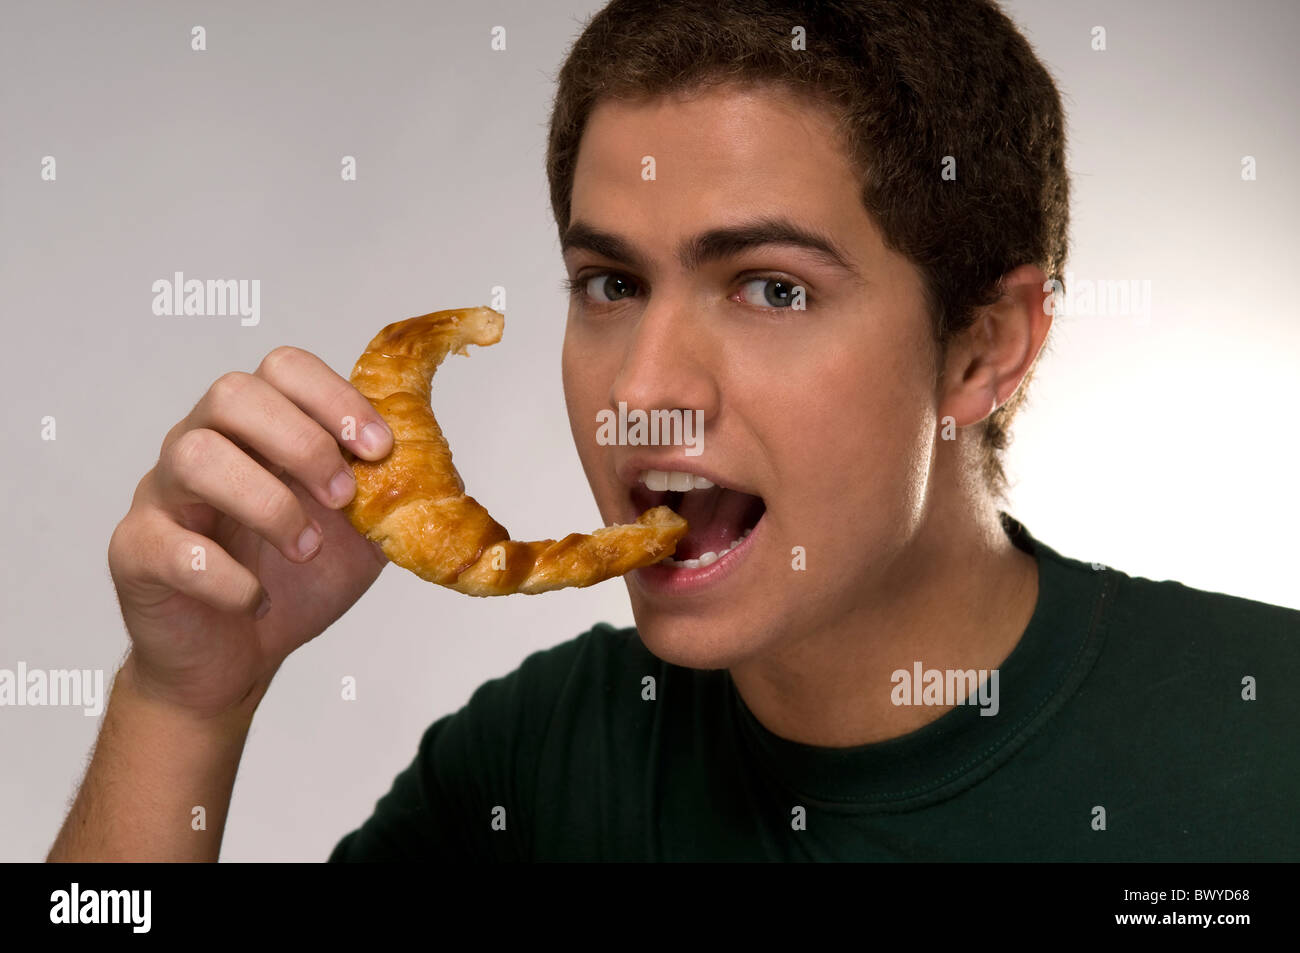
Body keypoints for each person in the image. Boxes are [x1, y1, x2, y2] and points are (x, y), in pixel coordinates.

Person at [48, 0, 1299, 863]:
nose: (642, 386)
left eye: (770, 287)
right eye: (610, 284)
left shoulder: (1261, 736)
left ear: (984, 349)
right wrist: (184, 701)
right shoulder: (539, 762)